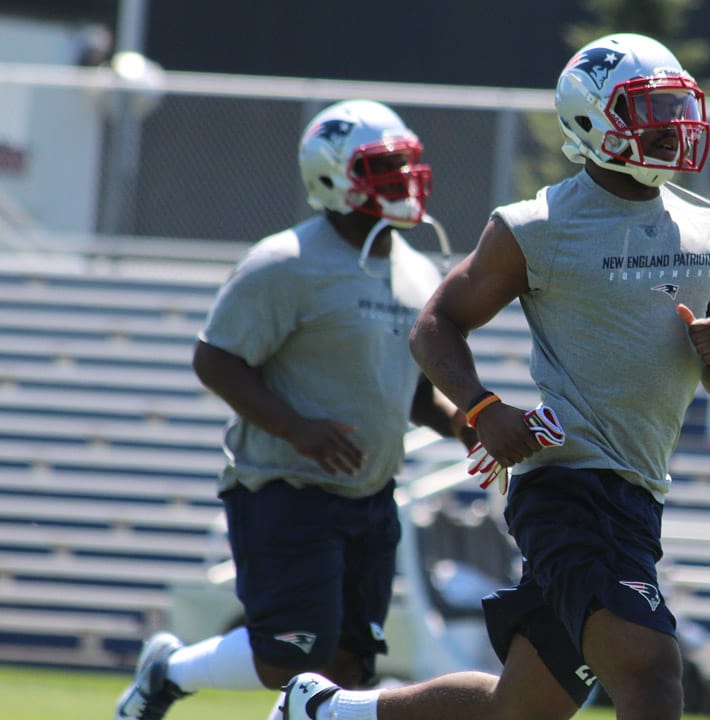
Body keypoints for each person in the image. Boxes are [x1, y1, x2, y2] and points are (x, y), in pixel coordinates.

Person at [279, 31, 710, 720]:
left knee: (519, 711)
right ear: (593, 120)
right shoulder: (539, 224)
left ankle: (325, 712)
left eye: (674, 105)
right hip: (569, 489)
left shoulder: (704, 226)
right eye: (648, 107)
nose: (671, 125)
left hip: (637, 495)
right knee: (652, 669)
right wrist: (480, 408)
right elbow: (434, 325)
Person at [114, 98, 474, 720]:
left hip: (370, 494)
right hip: (286, 484)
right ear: (332, 176)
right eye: (383, 166)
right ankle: (168, 671)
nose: (404, 179)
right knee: (289, 652)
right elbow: (216, 359)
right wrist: (297, 429)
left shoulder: (417, 272)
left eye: (406, 164)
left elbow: (410, 390)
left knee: (347, 669)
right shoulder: (285, 261)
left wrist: (466, 422)